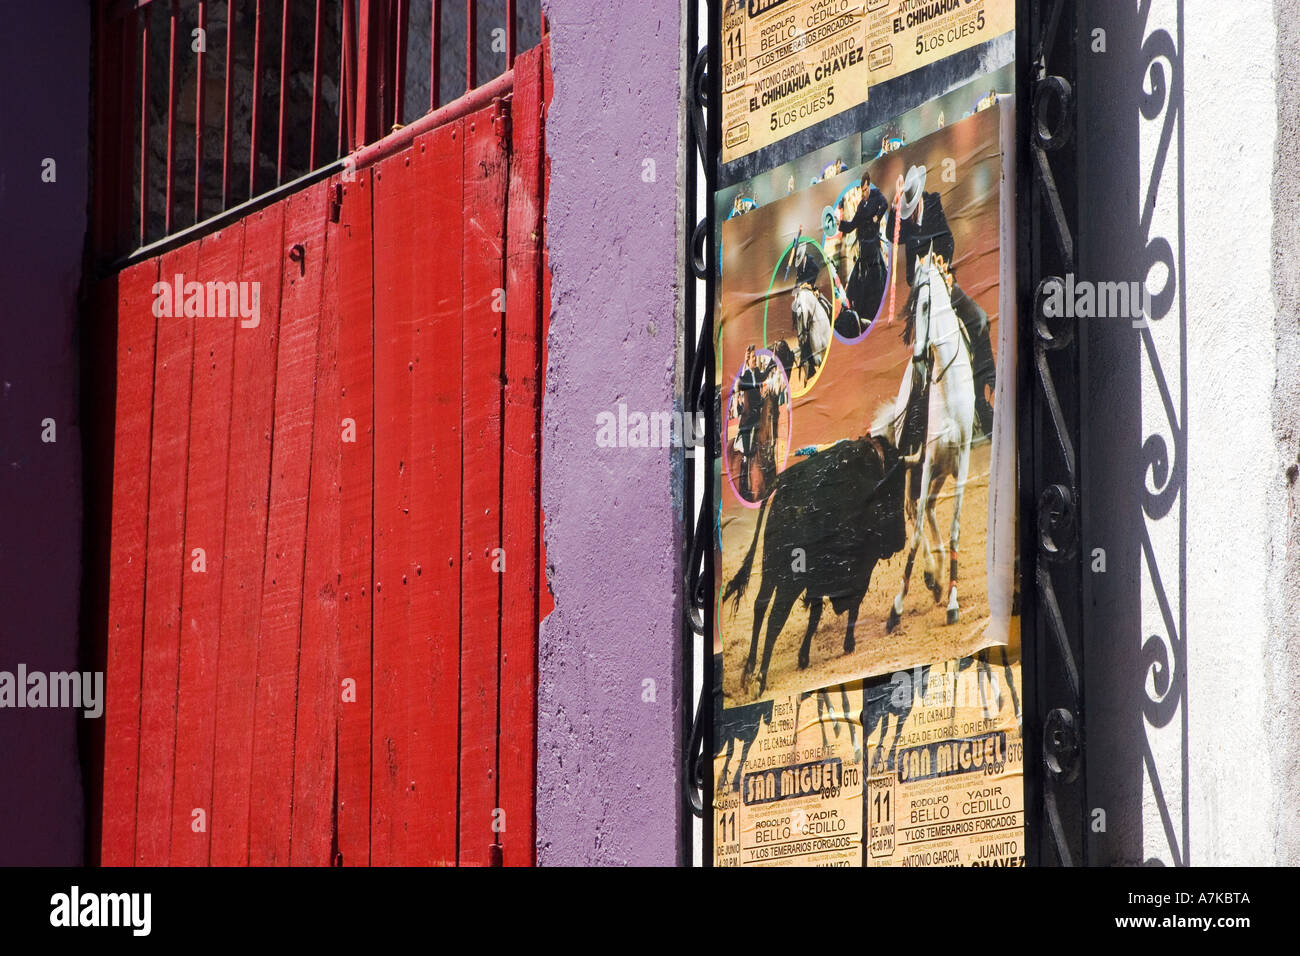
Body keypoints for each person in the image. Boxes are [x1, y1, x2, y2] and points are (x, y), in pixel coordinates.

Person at [887, 164, 996, 435]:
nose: (910, 218)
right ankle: (914, 425)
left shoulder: (934, 203)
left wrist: (941, 261)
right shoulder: (904, 218)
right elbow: (892, 235)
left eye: (911, 211)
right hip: (920, 293)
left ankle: (982, 401)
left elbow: (947, 239)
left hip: (943, 279)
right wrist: (893, 207)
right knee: (920, 352)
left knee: (980, 320)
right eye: (906, 213)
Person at [836, 172, 890, 333]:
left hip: (873, 250)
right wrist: (839, 224)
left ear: (869, 186)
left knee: (880, 276)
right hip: (862, 251)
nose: (864, 193)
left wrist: (877, 217)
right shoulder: (860, 205)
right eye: (862, 190)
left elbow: (885, 204)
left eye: (865, 189)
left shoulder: (876, 196)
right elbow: (852, 225)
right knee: (853, 283)